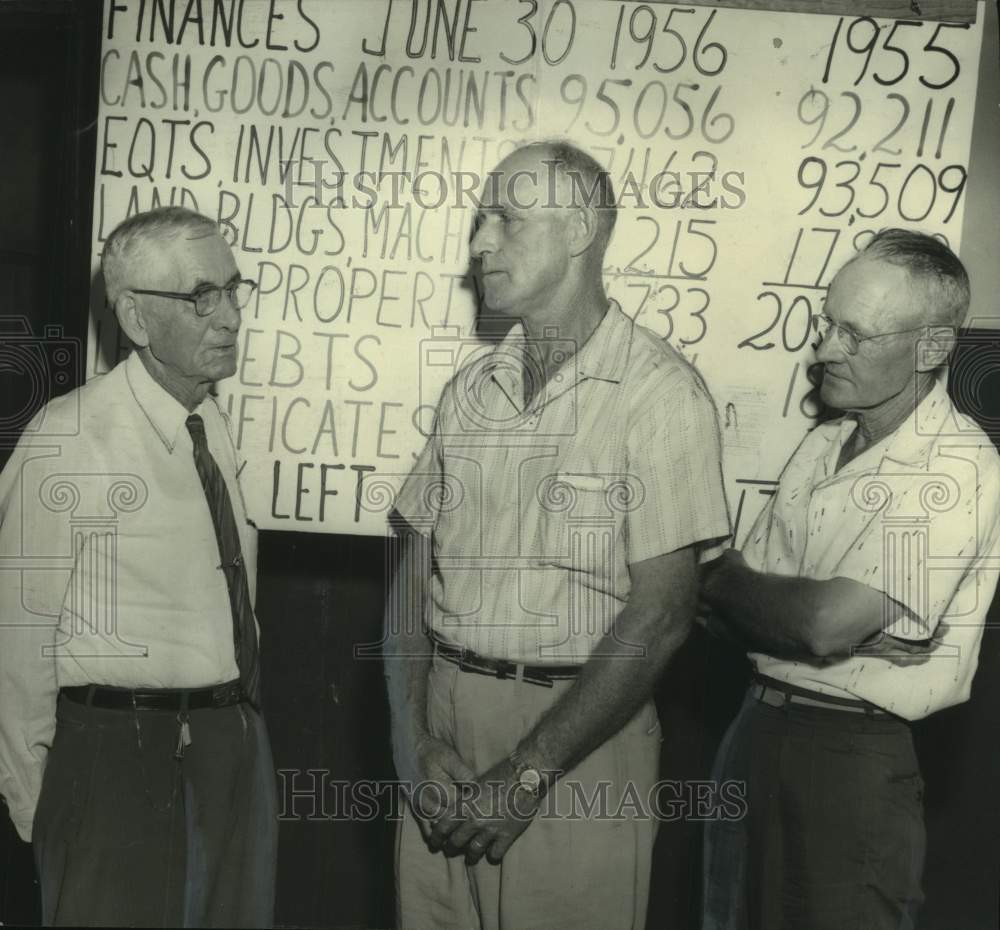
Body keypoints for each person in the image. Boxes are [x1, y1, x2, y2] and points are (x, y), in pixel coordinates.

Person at [384, 140, 730, 930]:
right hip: (443, 730)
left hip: (578, 742)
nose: (479, 243)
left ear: (578, 230)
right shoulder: (470, 390)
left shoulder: (661, 397)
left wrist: (530, 771)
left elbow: (663, 615)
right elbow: (411, 571)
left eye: (506, 219)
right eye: (480, 220)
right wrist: (412, 740)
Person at [700, 229, 1000, 930]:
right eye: (827, 323)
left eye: (855, 335)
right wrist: (747, 597)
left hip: (849, 758)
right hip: (751, 730)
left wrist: (724, 580)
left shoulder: (956, 469)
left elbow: (822, 623)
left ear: (932, 347)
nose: (823, 351)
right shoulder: (822, 444)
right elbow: (723, 616)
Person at [0, 206, 277, 927]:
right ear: (135, 317)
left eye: (233, 289)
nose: (230, 317)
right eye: (201, 296)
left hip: (229, 748)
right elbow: (14, 645)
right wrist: (40, 809)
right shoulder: (69, 438)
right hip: (116, 760)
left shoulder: (212, 425)